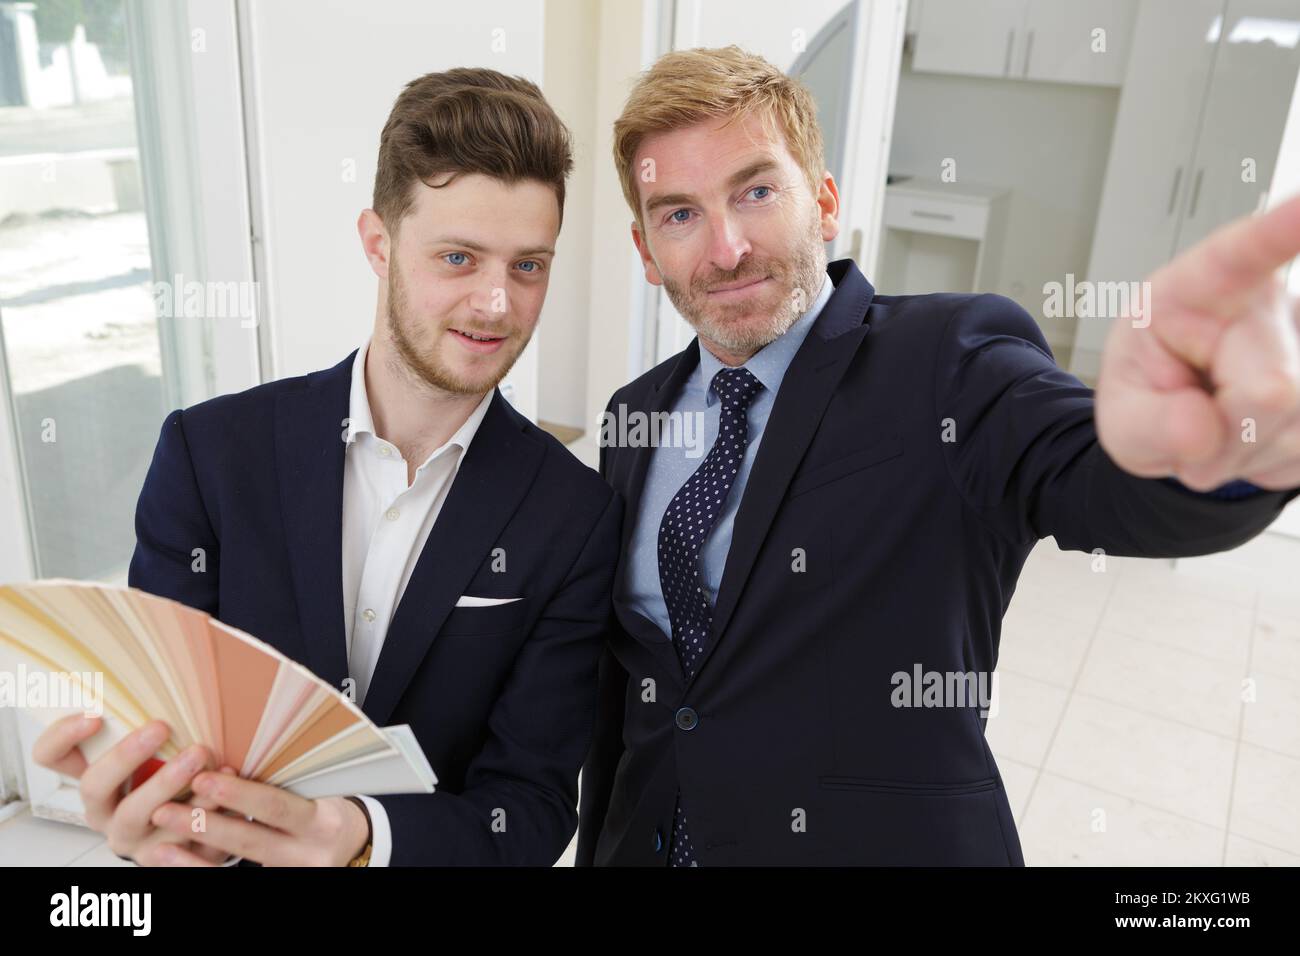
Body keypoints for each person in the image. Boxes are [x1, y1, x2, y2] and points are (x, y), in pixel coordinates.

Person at [577, 46, 1300, 866]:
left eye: (756, 192)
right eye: (680, 215)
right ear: (645, 252)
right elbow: (637, 690)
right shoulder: (635, 415)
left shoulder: (949, 361)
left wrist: (1218, 446)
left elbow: (1090, 477)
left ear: (822, 204)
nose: (727, 247)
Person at [33, 67, 620, 867]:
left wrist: (362, 839)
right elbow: (158, 737)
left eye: (528, 266)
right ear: (378, 244)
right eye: (458, 258)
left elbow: (534, 805)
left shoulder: (575, 515)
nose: (497, 304)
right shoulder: (209, 456)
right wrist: (157, 827)